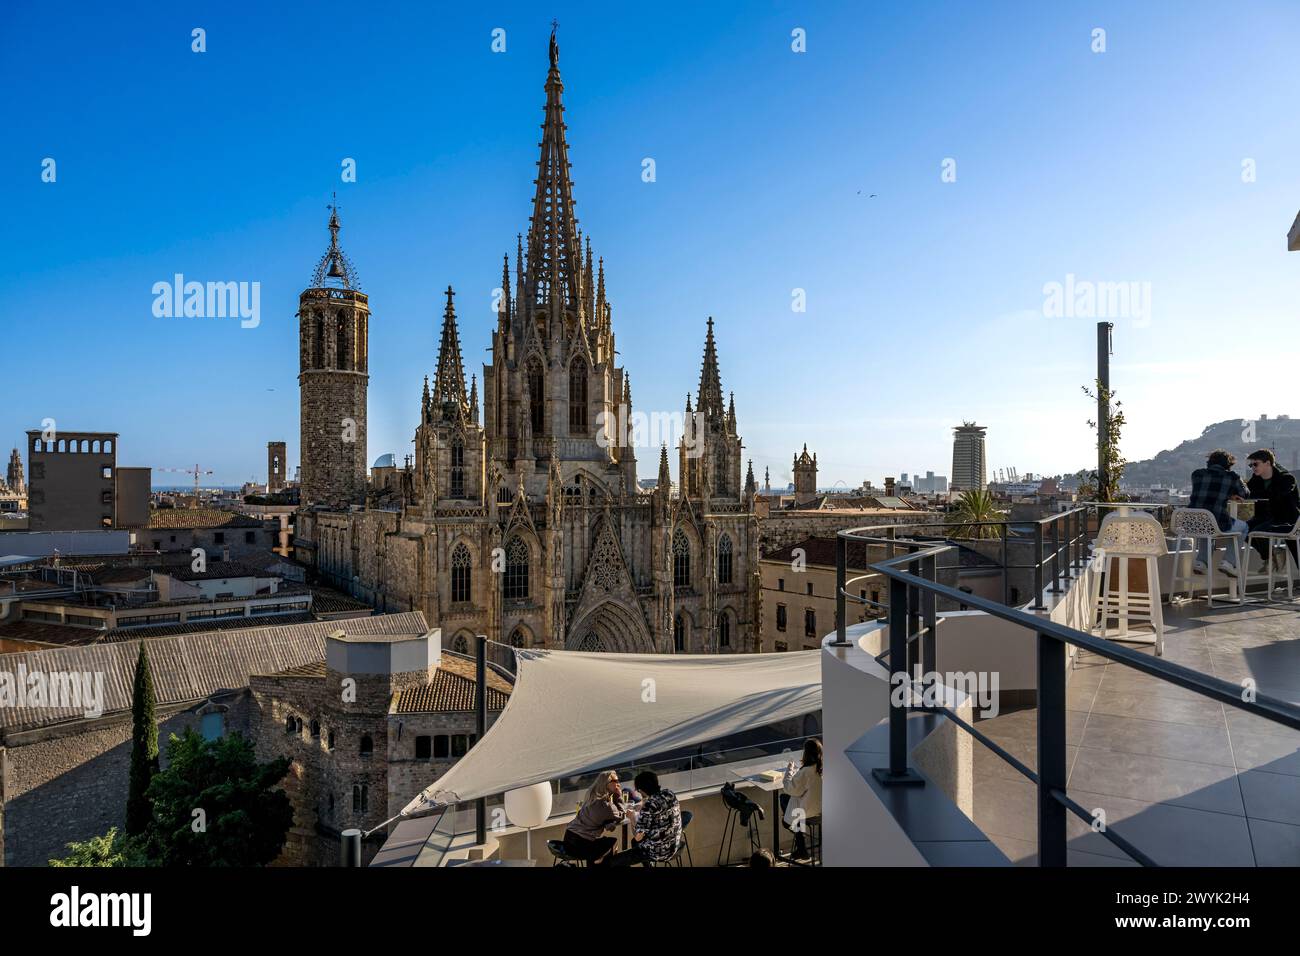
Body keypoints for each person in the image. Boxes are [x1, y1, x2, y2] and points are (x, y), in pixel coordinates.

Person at [1187, 449, 1249, 576]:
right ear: (1228, 465)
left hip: (1192, 522)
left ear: (1209, 462)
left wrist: (1227, 493)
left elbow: (1208, 489)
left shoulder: (1197, 474)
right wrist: (1231, 493)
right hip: (1215, 522)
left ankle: (1201, 562)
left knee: (1206, 525)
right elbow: (1245, 493)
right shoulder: (1231, 477)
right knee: (1243, 527)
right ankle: (1228, 562)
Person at [608, 769, 682, 867]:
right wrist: (644, 807)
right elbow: (659, 810)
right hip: (674, 846)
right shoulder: (669, 794)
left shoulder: (649, 805)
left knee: (612, 862)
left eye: (638, 790)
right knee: (634, 843)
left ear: (642, 790)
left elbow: (638, 837)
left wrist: (632, 818)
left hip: (659, 853)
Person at [1244, 449, 1300, 570]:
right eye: (1251, 465)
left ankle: (1273, 555)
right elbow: (1246, 492)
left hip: (1287, 520)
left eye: (1255, 464)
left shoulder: (1286, 478)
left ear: (1268, 463)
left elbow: (1276, 494)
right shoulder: (1256, 480)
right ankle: (1272, 555)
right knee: (1243, 529)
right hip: (1265, 518)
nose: (1252, 467)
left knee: (1296, 551)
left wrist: (1253, 494)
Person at [561, 770, 630, 866]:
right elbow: (621, 815)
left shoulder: (591, 797)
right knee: (612, 842)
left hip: (568, 840)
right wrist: (618, 795)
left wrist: (606, 821)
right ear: (606, 783)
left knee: (600, 848)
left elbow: (600, 816)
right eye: (616, 781)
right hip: (580, 845)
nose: (618, 783)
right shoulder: (603, 804)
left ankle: (597, 859)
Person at [780, 738, 823, 861]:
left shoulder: (806, 771)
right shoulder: (822, 768)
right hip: (820, 812)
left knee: (783, 798)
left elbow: (790, 788)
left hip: (805, 814)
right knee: (796, 811)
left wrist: (789, 770)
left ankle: (800, 845)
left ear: (806, 753)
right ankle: (801, 847)